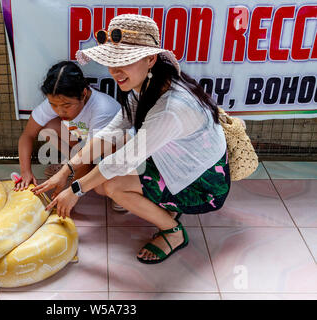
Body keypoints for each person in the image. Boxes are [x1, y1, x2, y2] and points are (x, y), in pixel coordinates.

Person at [32, 14, 231, 264]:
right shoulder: (147, 85)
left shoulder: (171, 107)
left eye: (124, 61)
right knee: (106, 179)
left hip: (205, 183)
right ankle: (167, 203)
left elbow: (123, 161)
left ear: (150, 59)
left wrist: (76, 189)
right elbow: (112, 131)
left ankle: (173, 232)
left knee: (113, 187)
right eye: (111, 61)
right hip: (176, 163)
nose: (115, 71)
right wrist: (67, 170)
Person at [16, 61, 121, 197]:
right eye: (53, 104)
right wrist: (25, 173)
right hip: (88, 150)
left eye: (66, 105)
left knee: (101, 188)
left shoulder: (103, 109)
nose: (60, 111)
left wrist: (70, 191)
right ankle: (76, 169)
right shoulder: (57, 99)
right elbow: (27, 135)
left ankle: (116, 184)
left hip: (112, 151)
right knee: (49, 128)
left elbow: (89, 155)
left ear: (83, 94)